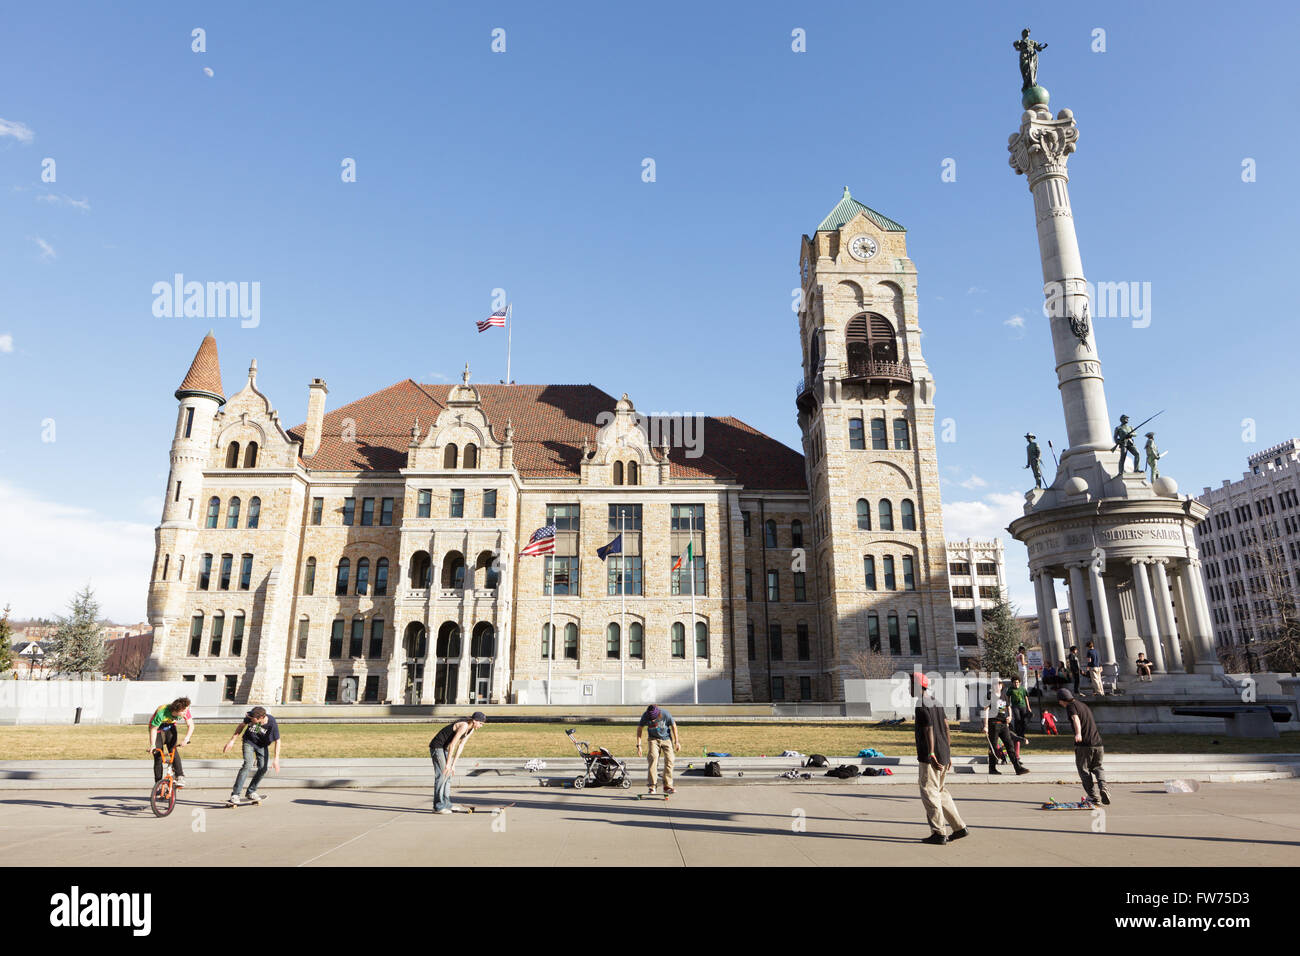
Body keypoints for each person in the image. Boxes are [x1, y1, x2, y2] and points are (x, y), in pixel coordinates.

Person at [914, 673, 968, 844]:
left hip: (931, 757)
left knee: (930, 793)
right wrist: (948, 752)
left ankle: (938, 833)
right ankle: (959, 828)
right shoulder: (936, 701)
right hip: (943, 753)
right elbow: (946, 726)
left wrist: (931, 753)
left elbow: (929, 728)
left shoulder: (921, 704)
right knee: (940, 792)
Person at [428, 712, 487, 814]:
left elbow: (461, 746)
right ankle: (438, 806)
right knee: (442, 775)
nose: (481, 726)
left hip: (444, 748)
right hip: (437, 746)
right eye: (481, 723)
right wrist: (447, 764)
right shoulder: (464, 725)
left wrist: (453, 765)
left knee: (448, 775)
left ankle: (447, 804)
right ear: (475, 721)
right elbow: (453, 745)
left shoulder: (471, 730)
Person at [1057, 688, 1109, 805]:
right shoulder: (1083, 705)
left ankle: (1093, 797)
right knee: (1097, 767)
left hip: (1085, 744)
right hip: (1098, 743)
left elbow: (1075, 718)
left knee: (1083, 770)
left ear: (1062, 700)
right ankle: (1103, 788)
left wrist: (1078, 733)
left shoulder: (1071, 706)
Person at [222, 705, 281, 805]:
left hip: (262, 745)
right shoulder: (251, 716)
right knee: (247, 765)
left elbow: (278, 741)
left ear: (261, 718)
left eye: (253, 720)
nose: (251, 721)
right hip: (249, 741)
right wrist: (232, 741)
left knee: (263, 768)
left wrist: (276, 759)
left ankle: (251, 791)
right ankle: (235, 794)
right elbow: (241, 726)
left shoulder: (271, 723)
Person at [148, 697, 193, 788]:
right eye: (183, 712)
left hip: (170, 728)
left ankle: (180, 776)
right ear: (177, 710)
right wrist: (152, 745)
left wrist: (186, 739)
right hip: (157, 730)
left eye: (186, 711)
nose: (185, 713)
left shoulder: (185, 709)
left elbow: (191, 725)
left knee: (173, 750)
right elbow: (153, 729)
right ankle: (158, 784)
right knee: (158, 755)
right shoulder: (162, 713)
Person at [636, 704, 680, 794]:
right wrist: (639, 746)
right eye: (650, 719)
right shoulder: (645, 715)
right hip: (653, 740)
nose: (652, 720)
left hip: (666, 739)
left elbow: (674, 726)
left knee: (670, 760)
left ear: (658, 714)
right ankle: (652, 786)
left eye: (654, 719)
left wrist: (677, 742)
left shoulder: (665, 714)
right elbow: (639, 729)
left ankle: (667, 786)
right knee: (653, 759)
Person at [983, 694, 1029, 776]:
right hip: (993, 724)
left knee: (1010, 745)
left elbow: (1008, 707)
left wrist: (1010, 716)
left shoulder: (1004, 696)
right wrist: (985, 725)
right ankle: (992, 768)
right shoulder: (989, 695)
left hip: (1003, 724)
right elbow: (985, 710)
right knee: (993, 747)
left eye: (999, 684)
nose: (997, 686)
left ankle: (1018, 768)